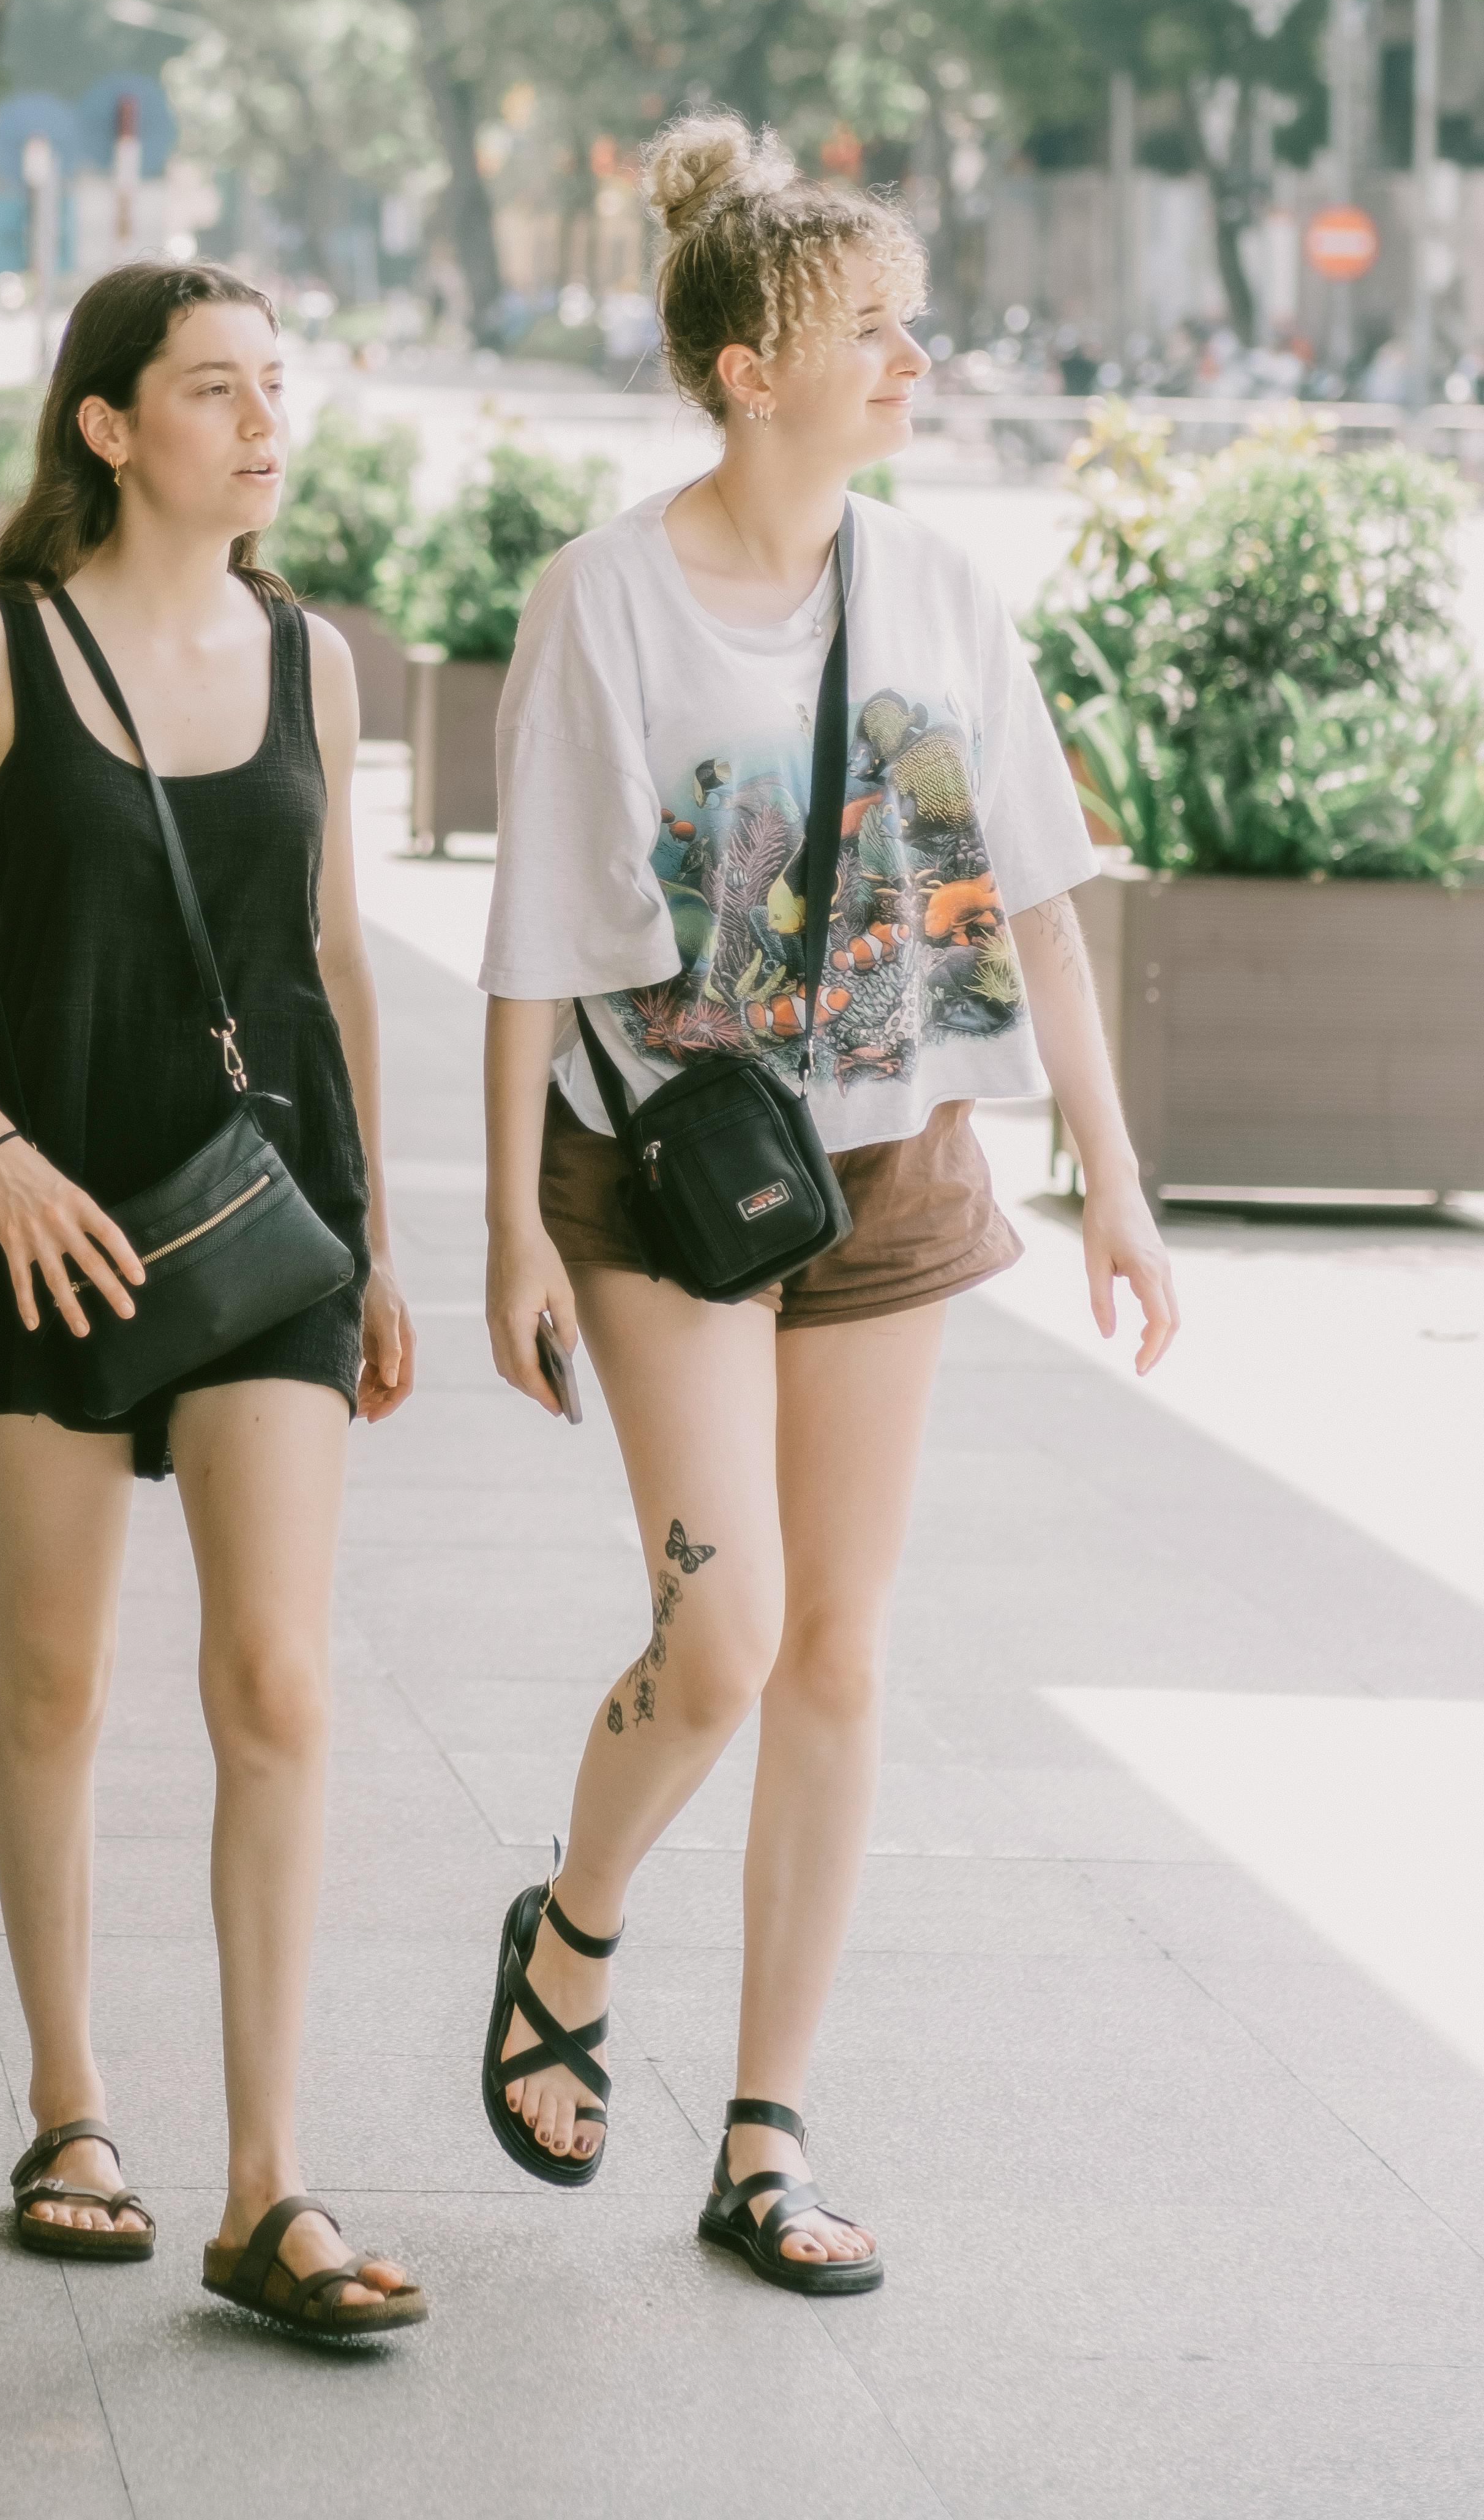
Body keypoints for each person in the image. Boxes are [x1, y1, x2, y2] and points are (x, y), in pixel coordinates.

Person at [475, 115, 1176, 2295]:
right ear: (737, 364)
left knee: (840, 1650)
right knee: (722, 1631)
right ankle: (567, 1928)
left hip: (885, 1163)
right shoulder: (600, 596)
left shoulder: (941, 587)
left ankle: (763, 2126)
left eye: (903, 315)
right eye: (861, 322)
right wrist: (507, 1225)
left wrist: (1113, 1192)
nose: (909, 351)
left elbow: (1043, 910)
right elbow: (523, 939)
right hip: (667, 1165)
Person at [0, 261, 427, 2350]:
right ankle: (71, 2109)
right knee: (54, 1681)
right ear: (106, 422)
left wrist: (385, 1233)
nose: (265, 425)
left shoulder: (310, 654)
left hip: (266, 1226)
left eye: (279, 386)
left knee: (277, 1682)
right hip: (46, 1216)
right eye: (216, 390)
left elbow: (333, 961)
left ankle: (267, 2181)